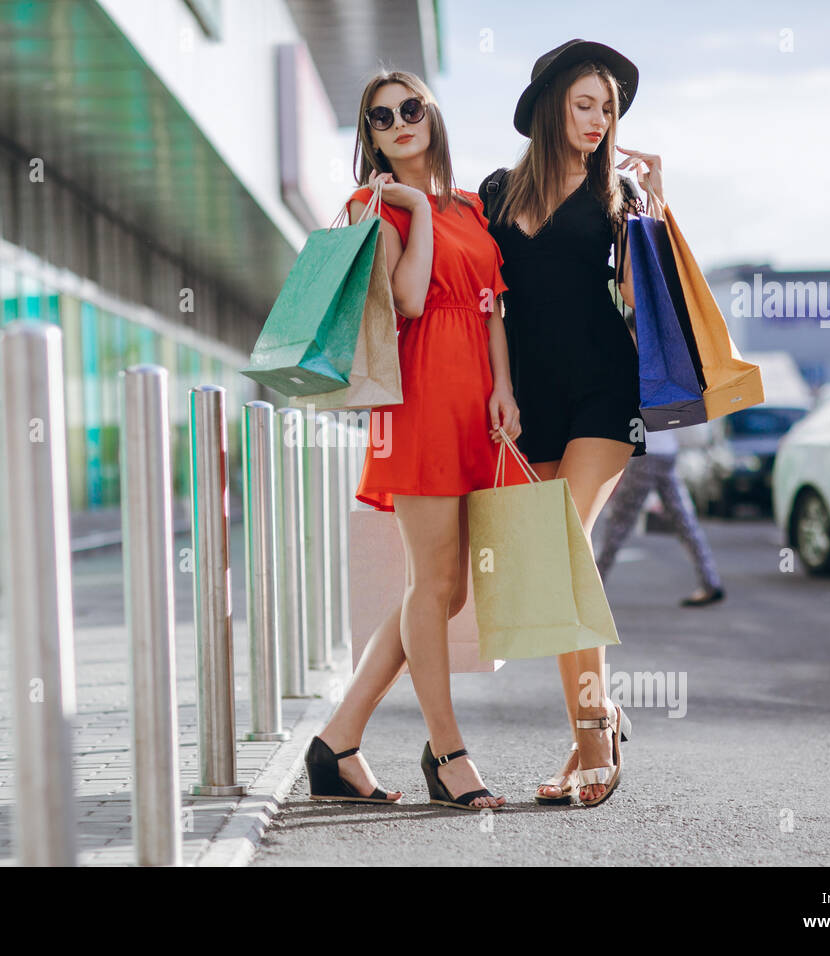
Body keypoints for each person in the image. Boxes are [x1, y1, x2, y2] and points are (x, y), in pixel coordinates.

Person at [304, 69, 522, 811]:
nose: (399, 122)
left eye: (411, 108)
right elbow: (407, 298)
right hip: (418, 402)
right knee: (431, 584)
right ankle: (448, 753)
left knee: (444, 587)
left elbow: (491, 308)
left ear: (433, 114)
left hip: (471, 402)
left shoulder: (473, 206)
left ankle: (337, 742)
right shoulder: (372, 205)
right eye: (380, 118)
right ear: (368, 137)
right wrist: (415, 215)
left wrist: (504, 388)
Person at [479, 39, 662, 807]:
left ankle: (594, 736)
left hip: (603, 389)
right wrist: (499, 389)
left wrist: (659, 197)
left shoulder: (617, 194)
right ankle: (596, 722)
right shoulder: (494, 191)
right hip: (531, 400)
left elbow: (656, 291)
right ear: (554, 105)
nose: (597, 120)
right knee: (553, 565)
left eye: (608, 109)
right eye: (585, 104)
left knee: (562, 547)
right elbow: (484, 301)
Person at [594, 419, 726, 607]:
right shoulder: (673, 388)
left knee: (618, 524)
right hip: (668, 452)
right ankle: (710, 581)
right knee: (685, 521)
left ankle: (591, 588)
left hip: (645, 453)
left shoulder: (642, 387)